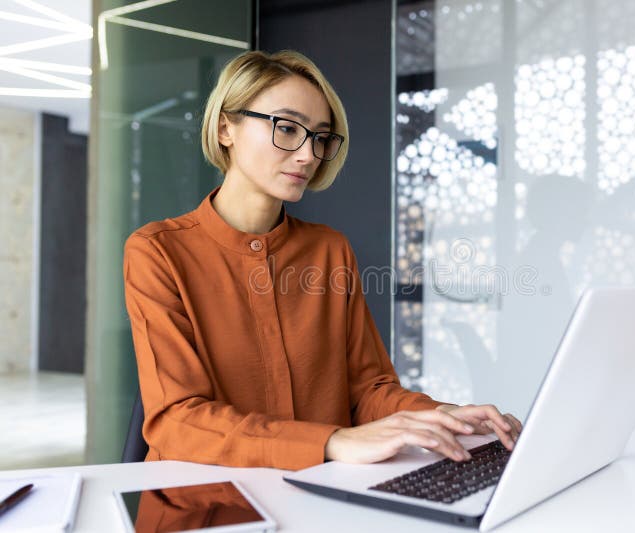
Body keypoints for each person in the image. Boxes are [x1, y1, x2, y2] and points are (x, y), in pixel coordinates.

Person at [123, 50, 521, 471]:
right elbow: (178, 421)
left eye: (320, 137)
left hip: (319, 495)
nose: (308, 155)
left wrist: (437, 416)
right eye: (288, 128)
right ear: (226, 128)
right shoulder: (157, 251)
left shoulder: (330, 251)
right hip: (202, 503)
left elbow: (368, 389)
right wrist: (331, 441)